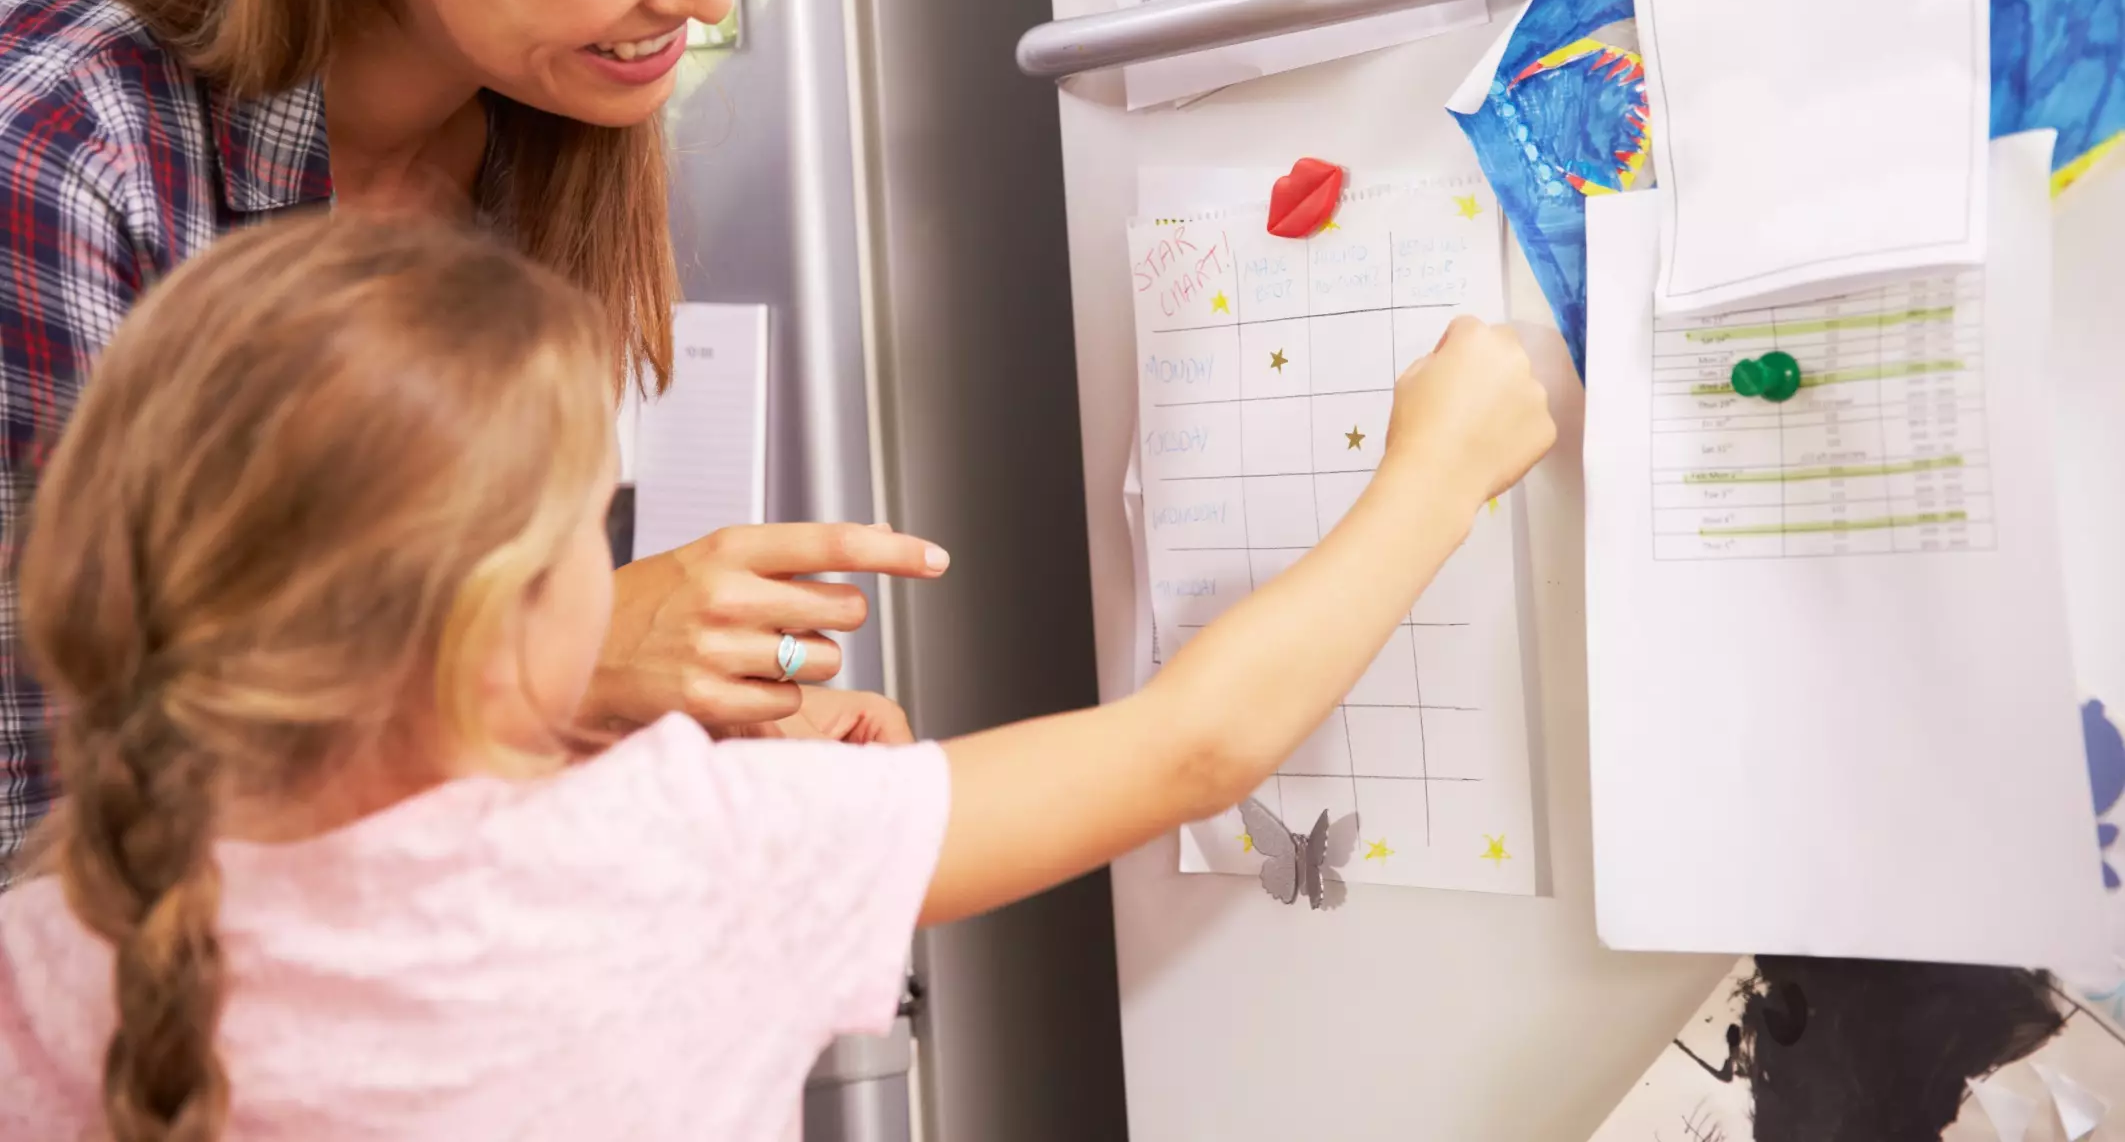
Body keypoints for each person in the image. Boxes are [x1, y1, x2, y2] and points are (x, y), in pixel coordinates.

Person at [0, 216, 1555, 1140]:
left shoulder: (59, 927)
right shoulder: (694, 855)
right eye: (584, 534)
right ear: (495, 626)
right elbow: (1191, 752)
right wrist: (1438, 473)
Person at [0, 0, 925, 873]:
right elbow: (49, 842)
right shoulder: (55, 152)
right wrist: (564, 661)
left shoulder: (533, 114)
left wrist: (676, 745)